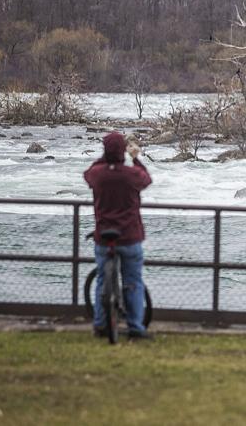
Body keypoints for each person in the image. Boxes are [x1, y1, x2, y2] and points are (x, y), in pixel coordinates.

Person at [84, 131, 153, 340]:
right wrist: (135, 158)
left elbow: (88, 173)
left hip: (104, 236)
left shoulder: (99, 174)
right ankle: (135, 328)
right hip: (130, 236)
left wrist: (106, 158)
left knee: (102, 281)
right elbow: (146, 179)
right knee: (133, 282)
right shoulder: (130, 175)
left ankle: (100, 324)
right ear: (123, 150)